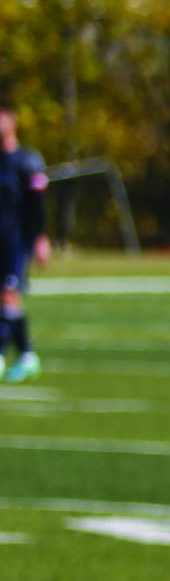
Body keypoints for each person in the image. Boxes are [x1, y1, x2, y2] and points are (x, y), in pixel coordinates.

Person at [0, 102, 52, 384]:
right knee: (8, 299)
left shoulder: (28, 160)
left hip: (18, 240)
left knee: (9, 294)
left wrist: (41, 237)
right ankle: (28, 356)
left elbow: (37, 204)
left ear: (13, 121)